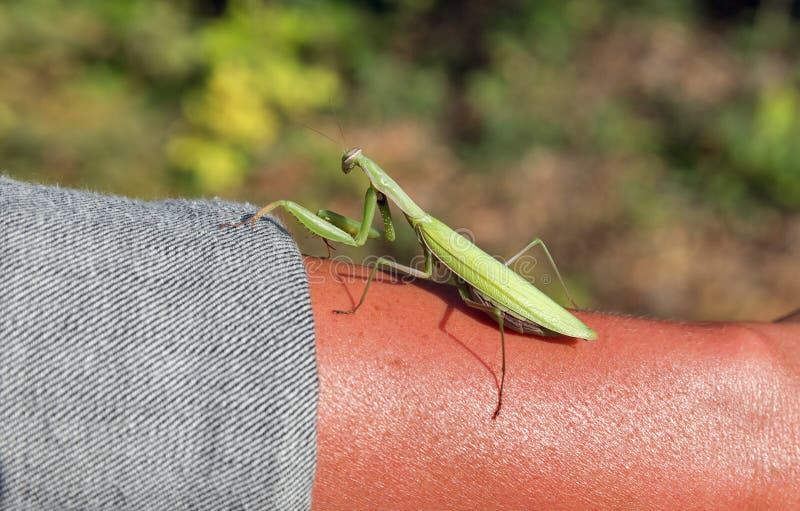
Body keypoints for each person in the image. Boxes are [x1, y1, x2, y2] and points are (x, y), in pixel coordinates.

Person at [2, 177, 798, 509]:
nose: (352, 175)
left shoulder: (408, 219)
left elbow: (384, 253)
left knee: (422, 270)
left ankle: (757, 418)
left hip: (505, 302)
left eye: (359, 170)